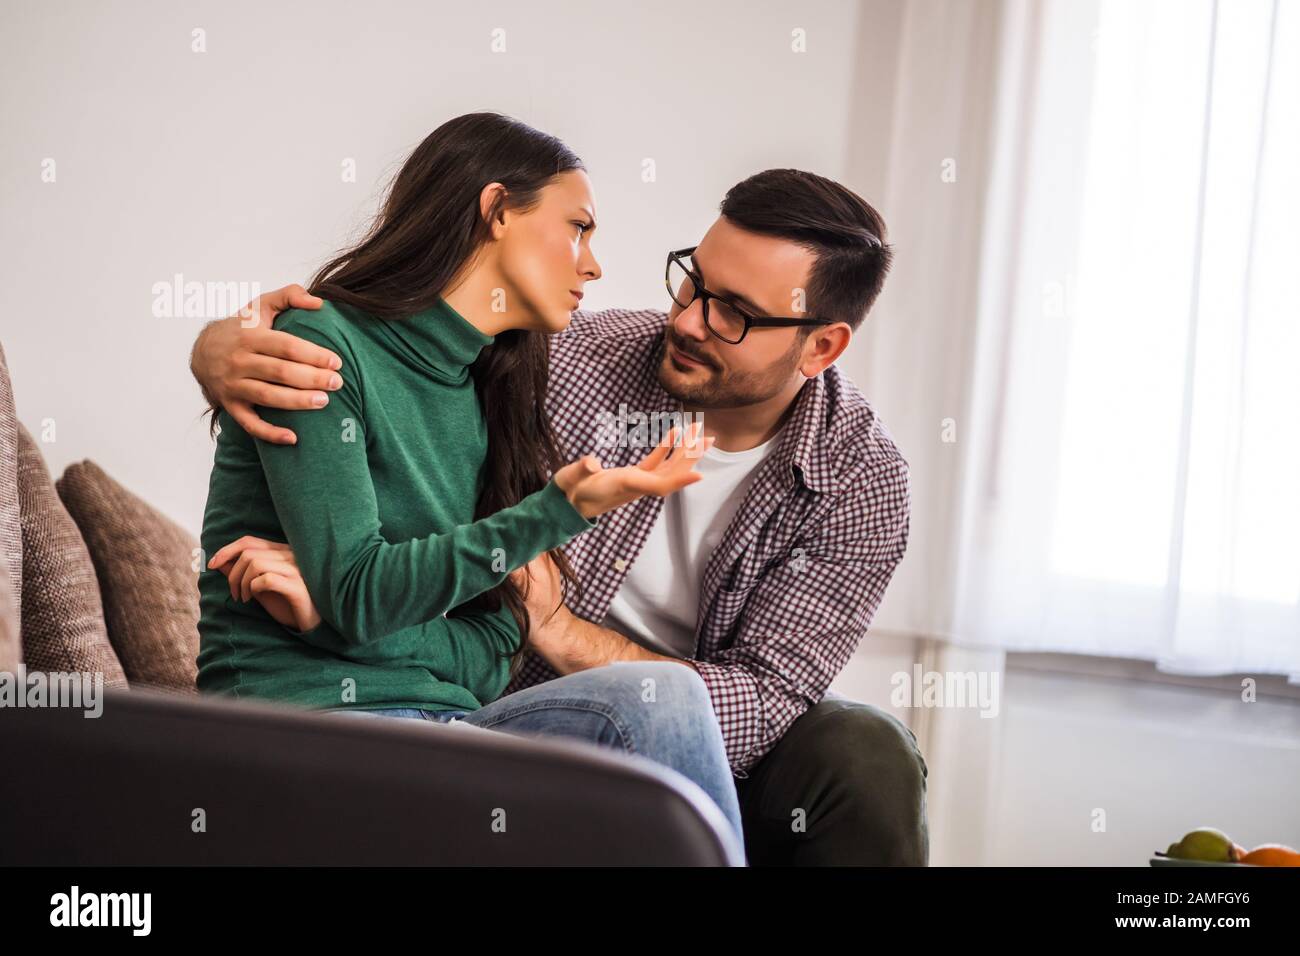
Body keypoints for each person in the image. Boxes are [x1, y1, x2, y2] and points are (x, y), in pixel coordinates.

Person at [193, 164, 929, 866]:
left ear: (822, 346)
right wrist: (219, 350)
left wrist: (563, 632)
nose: (691, 321)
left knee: (865, 751)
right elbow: (394, 355)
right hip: (509, 704)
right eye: (693, 283)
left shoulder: (860, 481)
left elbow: (765, 704)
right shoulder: (566, 356)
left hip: (709, 761)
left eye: (733, 313)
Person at [195, 111, 744, 853]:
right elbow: (361, 591)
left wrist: (330, 620)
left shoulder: (495, 386)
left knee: (668, 697)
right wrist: (557, 512)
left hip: (450, 727)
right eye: (578, 227)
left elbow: (491, 647)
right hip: (310, 724)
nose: (594, 265)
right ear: (495, 212)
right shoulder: (321, 349)